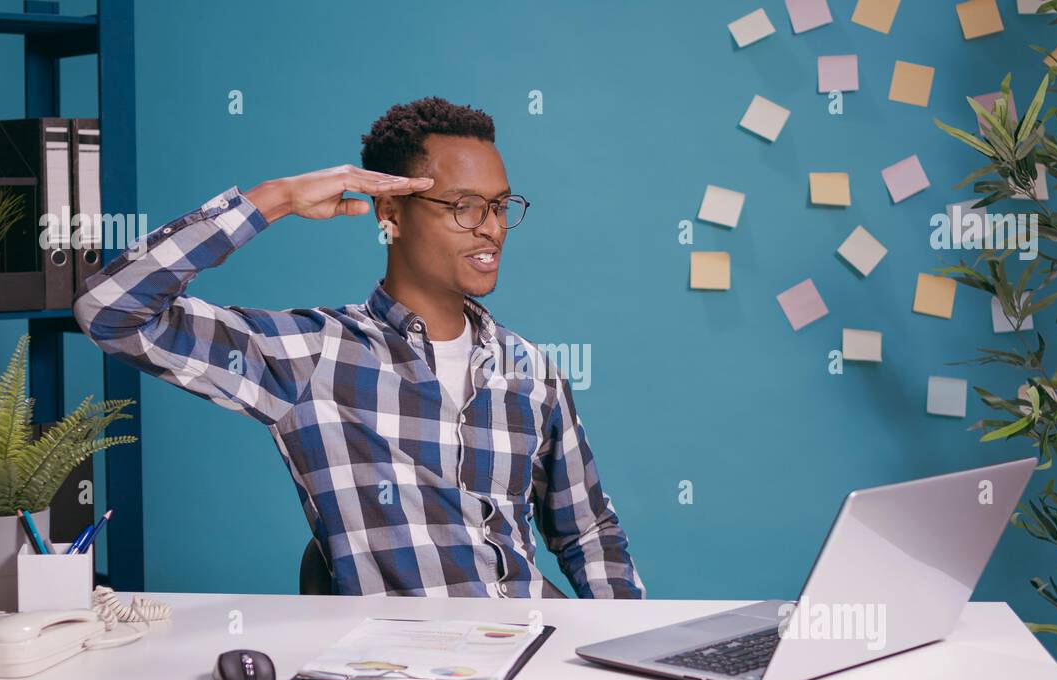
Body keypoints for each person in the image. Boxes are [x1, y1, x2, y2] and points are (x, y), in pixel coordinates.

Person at [74, 96, 645, 598]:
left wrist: (622, 655)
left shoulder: (530, 371)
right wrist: (273, 199)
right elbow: (111, 311)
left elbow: (587, 530)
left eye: (500, 206)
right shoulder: (312, 356)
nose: (491, 228)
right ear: (390, 213)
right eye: (464, 206)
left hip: (533, 660)